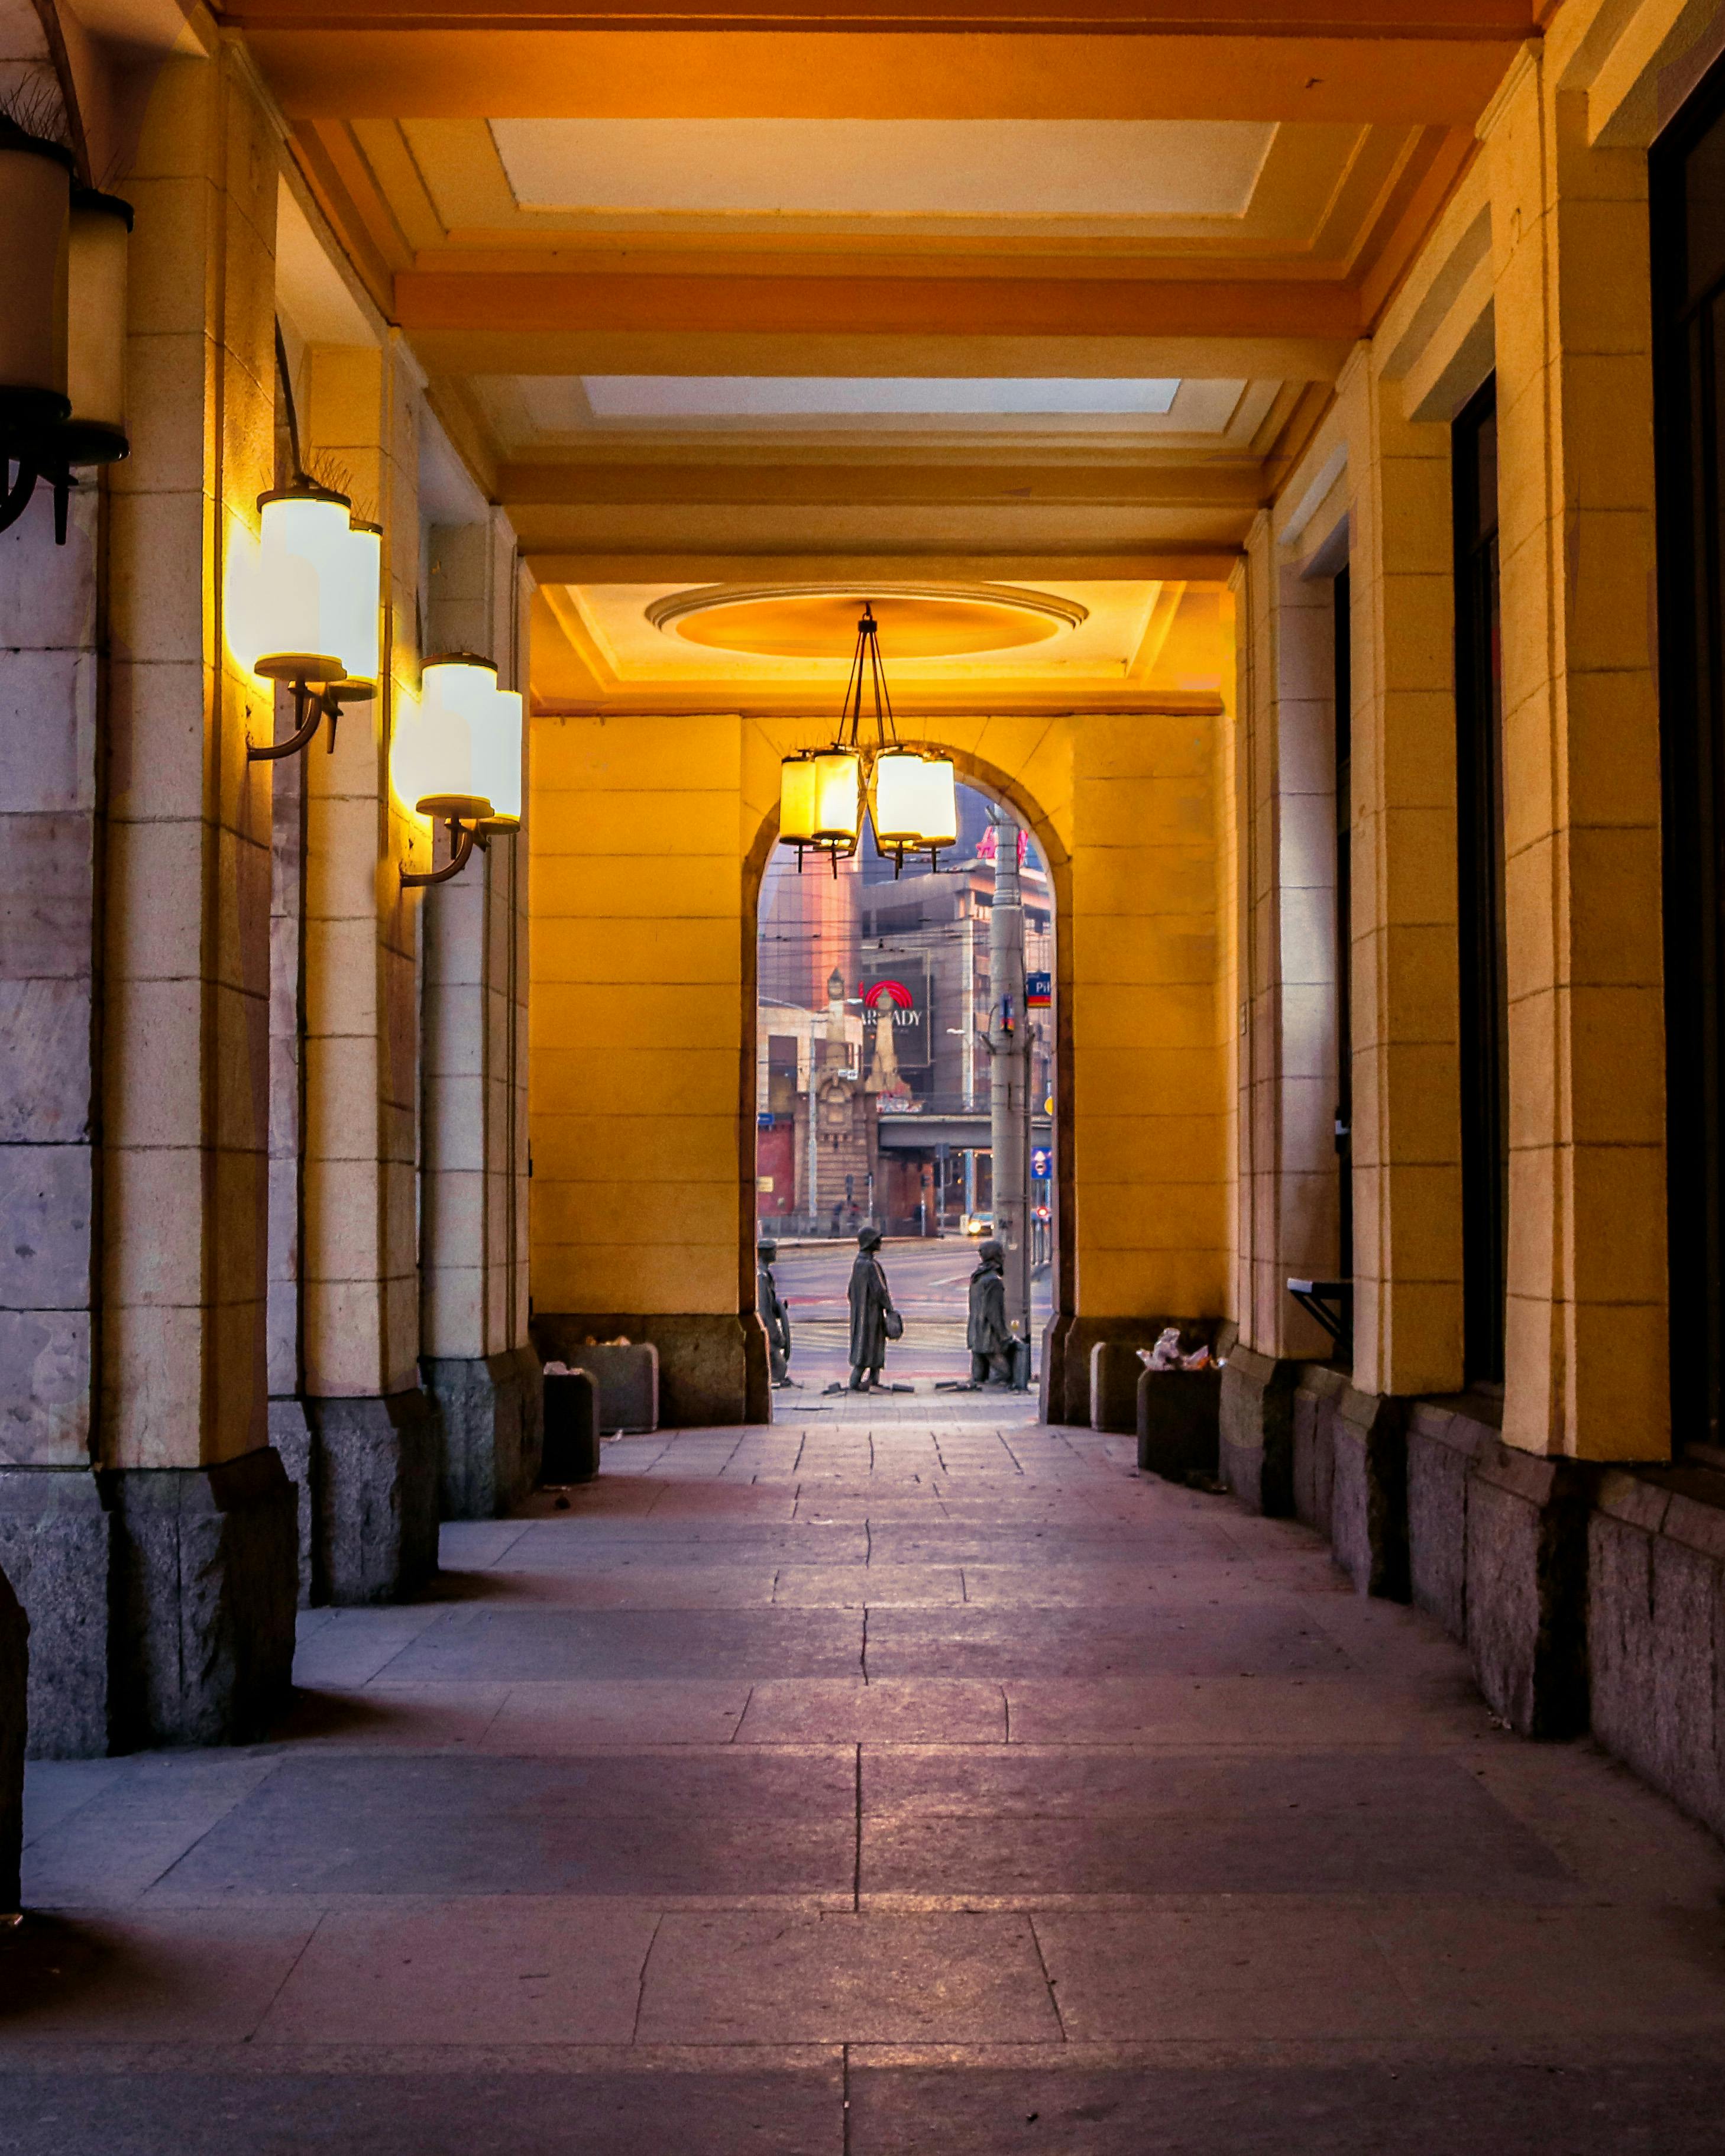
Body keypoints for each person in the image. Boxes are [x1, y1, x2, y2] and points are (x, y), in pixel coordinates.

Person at [847, 1225, 897, 1391]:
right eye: (877, 1239)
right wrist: (890, 1309)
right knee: (871, 1345)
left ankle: (873, 1379)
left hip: (860, 1314)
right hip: (872, 1315)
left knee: (869, 1345)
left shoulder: (858, 1263)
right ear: (870, 1242)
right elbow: (880, 1291)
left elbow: (850, 1292)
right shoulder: (870, 1265)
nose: (880, 1242)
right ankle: (857, 1381)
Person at [967, 1237, 1017, 1387]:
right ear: (995, 1256)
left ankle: (980, 1396)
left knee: (978, 1377)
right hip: (989, 1338)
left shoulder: (977, 1278)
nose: (1004, 1257)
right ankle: (994, 1394)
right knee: (1004, 1373)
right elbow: (994, 1314)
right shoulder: (993, 1281)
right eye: (1001, 1254)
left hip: (975, 1334)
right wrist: (1005, 1336)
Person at [756, 1238, 792, 1387]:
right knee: (779, 1366)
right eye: (773, 1251)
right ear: (765, 1253)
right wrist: (776, 1336)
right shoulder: (762, 1277)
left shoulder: (763, 1274)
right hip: (767, 1330)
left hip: (767, 1327)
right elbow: (765, 1310)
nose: (776, 1253)